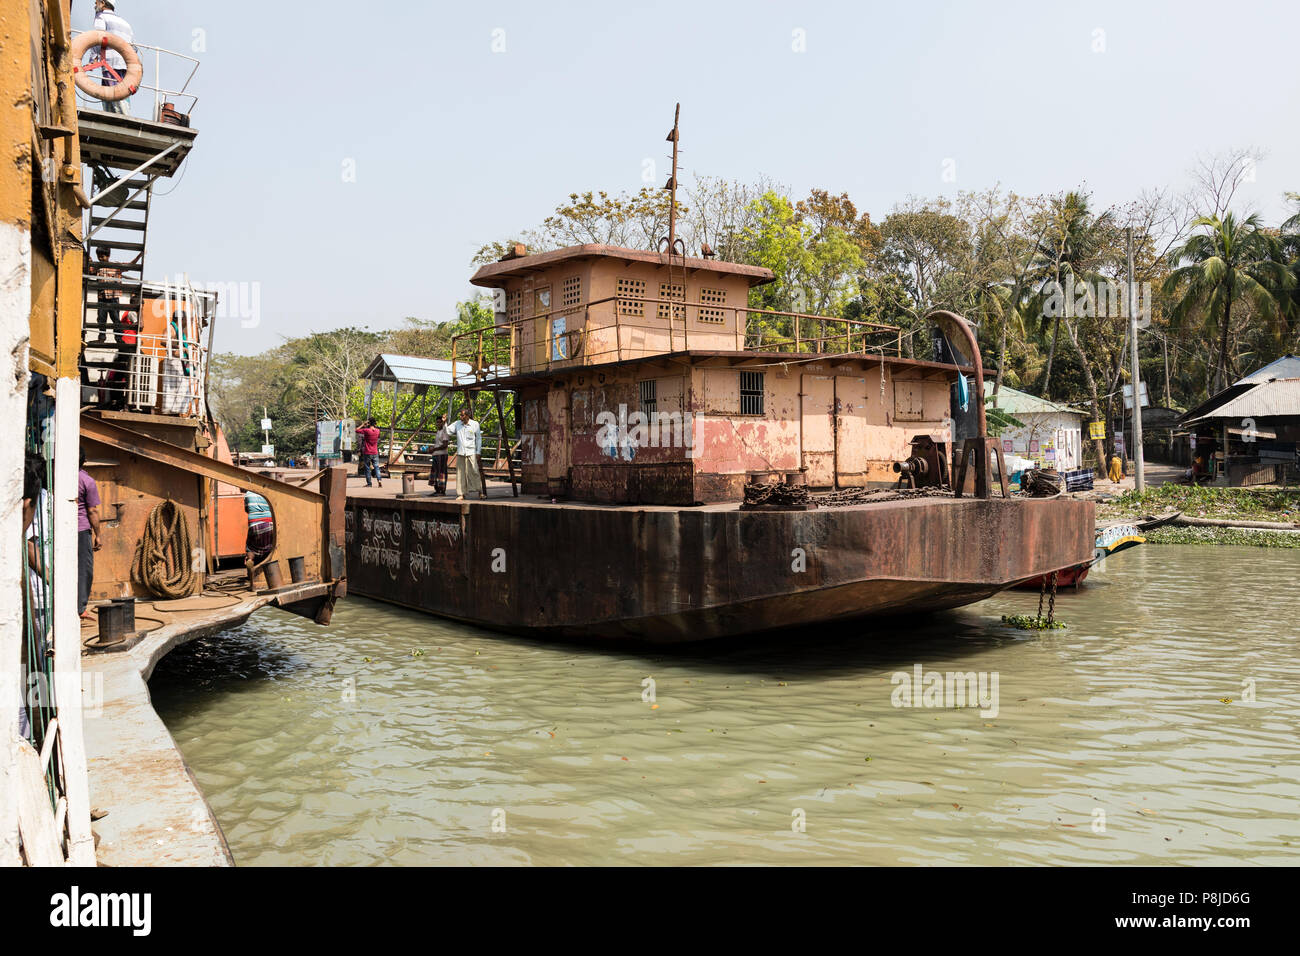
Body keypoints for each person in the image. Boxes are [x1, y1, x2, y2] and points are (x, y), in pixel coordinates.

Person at [92, 1, 134, 115]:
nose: (94, 4)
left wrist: (93, 58)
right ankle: (116, 115)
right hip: (125, 64)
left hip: (110, 62)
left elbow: (97, 38)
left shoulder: (101, 17)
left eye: (96, 2)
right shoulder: (125, 23)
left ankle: (124, 118)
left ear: (102, 3)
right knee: (120, 89)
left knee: (114, 91)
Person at [77, 449, 103, 620]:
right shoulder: (87, 480)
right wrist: (98, 534)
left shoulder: (56, 477)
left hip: (57, 530)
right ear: (84, 461)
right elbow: (92, 511)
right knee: (84, 570)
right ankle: (80, 608)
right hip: (80, 531)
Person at [447, 405, 484, 500]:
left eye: (462, 415)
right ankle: (461, 494)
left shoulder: (475, 424)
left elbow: (478, 439)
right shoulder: (457, 424)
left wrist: (478, 452)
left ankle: (480, 491)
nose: (461, 417)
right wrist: (444, 423)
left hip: (471, 452)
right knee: (460, 473)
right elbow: (447, 431)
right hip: (461, 452)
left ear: (467, 416)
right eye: (460, 415)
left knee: (474, 472)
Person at [243, 489, 274, 567]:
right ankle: (269, 564)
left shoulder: (248, 494)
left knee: (250, 547)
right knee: (271, 545)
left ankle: (250, 559)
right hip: (269, 522)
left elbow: (246, 509)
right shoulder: (267, 491)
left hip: (254, 524)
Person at [356, 418, 382, 487]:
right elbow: (378, 438)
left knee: (367, 468)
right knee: (376, 466)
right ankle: (379, 479)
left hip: (367, 452)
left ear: (369, 423)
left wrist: (363, 424)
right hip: (375, 452)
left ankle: (369, 483)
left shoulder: (366, 430)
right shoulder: (378, 431)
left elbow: (356, 430)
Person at [427, 414, 449, 493]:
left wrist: (434, 449)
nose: (438, 424)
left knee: (441, 472)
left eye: (440, 422)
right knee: (435, 472)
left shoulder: (444, 431)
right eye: (437, 422)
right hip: (436, 454)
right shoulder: (438, 431)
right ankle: (437, 490)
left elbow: (445, 445)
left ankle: (442, 490)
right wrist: (432, 448)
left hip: (442, 454)